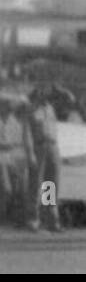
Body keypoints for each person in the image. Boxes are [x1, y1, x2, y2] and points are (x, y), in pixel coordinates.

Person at [23, 86, 62, 232]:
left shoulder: (51, 109)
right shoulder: (31, 110)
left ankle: (50, 218)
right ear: (37, 94)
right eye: (42, 92)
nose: (45, 95)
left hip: (52, 147)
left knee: (50, 184)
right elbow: (26, 133)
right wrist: (30, 153)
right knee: (36, 184)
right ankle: (33, 219)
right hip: (39, 147)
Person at [0, 93, 29, 226]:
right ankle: (5, 214)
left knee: (45, 184)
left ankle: (45, 214)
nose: (6, 107)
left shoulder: (19, 122)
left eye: (7, 104)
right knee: (7, 188)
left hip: (20, 156)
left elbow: (23, 141)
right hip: (4, 156)